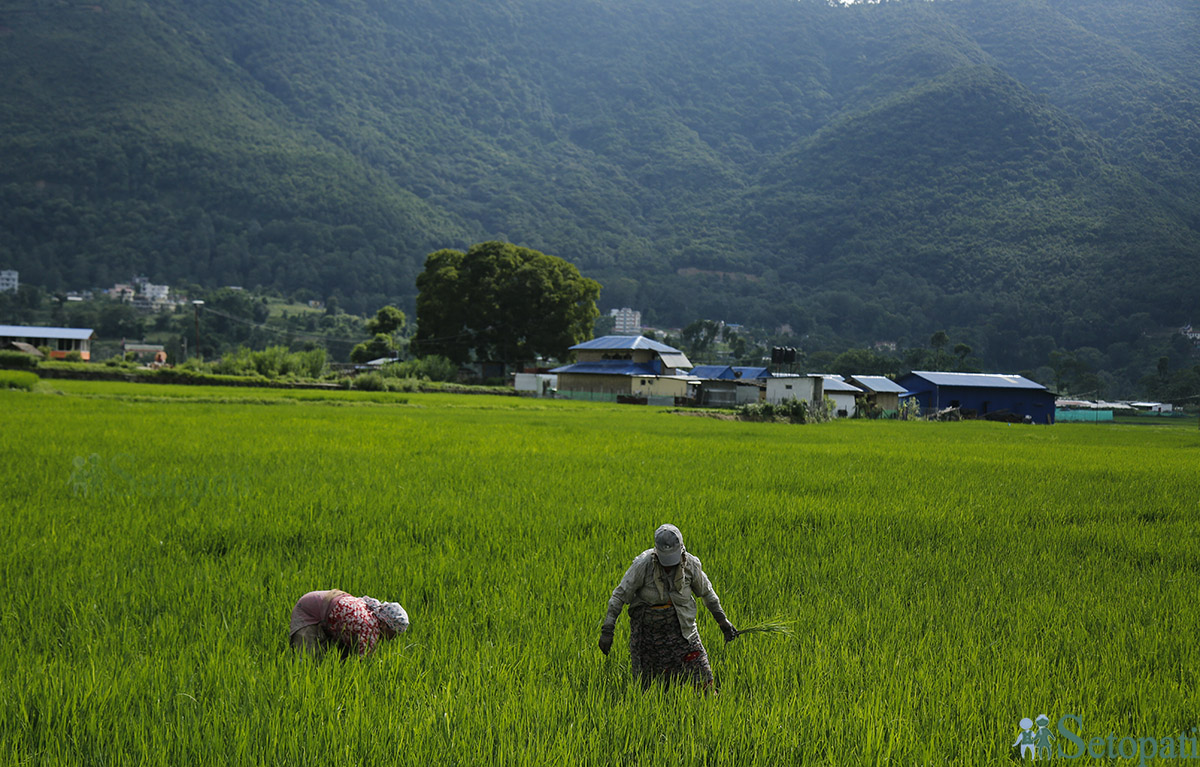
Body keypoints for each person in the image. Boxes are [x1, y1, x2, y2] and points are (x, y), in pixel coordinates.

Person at [598, 523, 736, 690]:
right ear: (657, 552)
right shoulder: (643, 564)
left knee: (703, 680)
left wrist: (723, 622)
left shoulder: (690, 565)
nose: (669, 566)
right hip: (647, 638)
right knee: (649, 689)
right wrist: (607, 630)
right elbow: (619, 596)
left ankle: (709, 711)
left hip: (684, 634)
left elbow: (708, 594)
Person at [289, 589, 409, 657]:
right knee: (308, 659)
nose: (394, 638)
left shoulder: (373, 610)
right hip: (309, 611)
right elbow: (362, 664)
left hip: (321, 601)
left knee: (330, 655)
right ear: (385, 624)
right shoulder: (369, 629)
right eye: (394, 633)